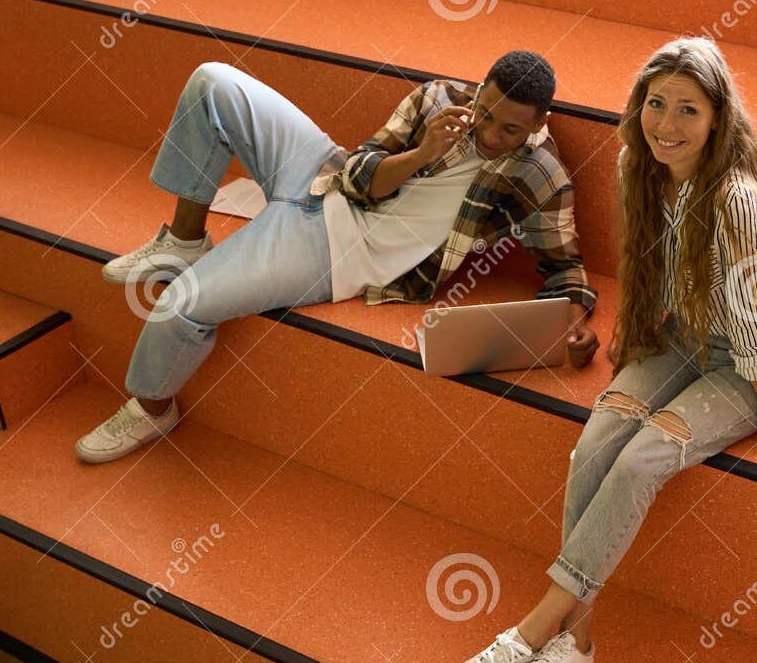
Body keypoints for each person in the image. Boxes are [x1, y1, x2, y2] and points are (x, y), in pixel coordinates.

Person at [445, 37, 757, 663]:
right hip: (681, 336)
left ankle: (529, 633)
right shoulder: (638, 164)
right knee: (592, 449)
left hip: (748, 364)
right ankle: (576, 649)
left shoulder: (737, 199)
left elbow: (752, 330)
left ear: (719, 118)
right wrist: (638, 336)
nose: (667, 125)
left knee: (640, 460)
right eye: (656, 104)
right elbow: (653, 268)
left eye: (688, 110)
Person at [75, 51, 599, 463]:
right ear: (480, 89)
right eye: (485, 112)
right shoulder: (438, 98)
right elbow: (357, 171)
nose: (489, 133)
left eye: (508, 129)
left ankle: (151, 406)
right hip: (323, 175)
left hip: (334, 250)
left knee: (178, 306)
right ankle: (184, 239)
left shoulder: (541, 174)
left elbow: (565, 270)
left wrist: (566, 326)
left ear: (537, 123)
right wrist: (421, 156)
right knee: (212, 81)